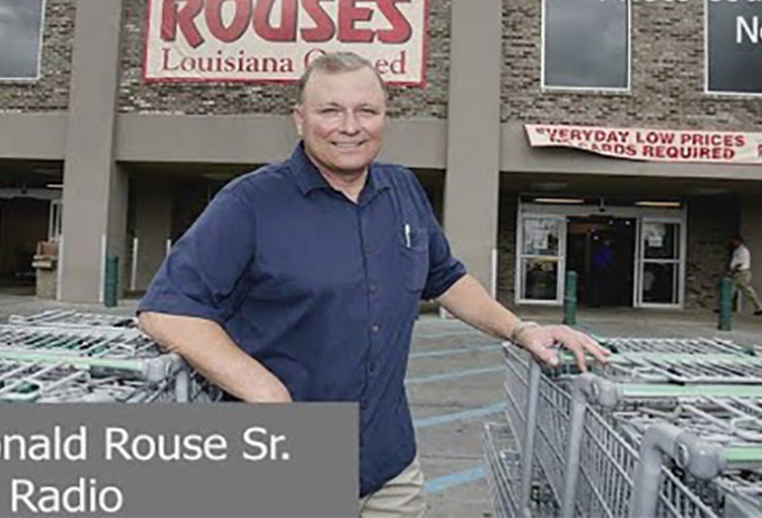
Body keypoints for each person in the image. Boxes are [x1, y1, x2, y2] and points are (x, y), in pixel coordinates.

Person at [136, 52, 609, 517]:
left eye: (366, 110)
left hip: (391, 466)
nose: (350, 125)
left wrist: (522, 330)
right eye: (330, 110)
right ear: (300, 120)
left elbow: (445, 278)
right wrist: (265, 392)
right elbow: (168, 310)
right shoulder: (250, 202)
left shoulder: (402, 190)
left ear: (384, 118)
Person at [728, 235, 762, 316]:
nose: (733, 243)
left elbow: (739, 263)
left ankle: (760, 306)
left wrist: (731, 271)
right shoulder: (737, 251)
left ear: (739, 241)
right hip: (737, 273)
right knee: (731, 290)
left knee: (746, 290)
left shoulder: (743, 251)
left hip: (741, 273)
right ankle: (725, 307)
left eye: (735, 241)